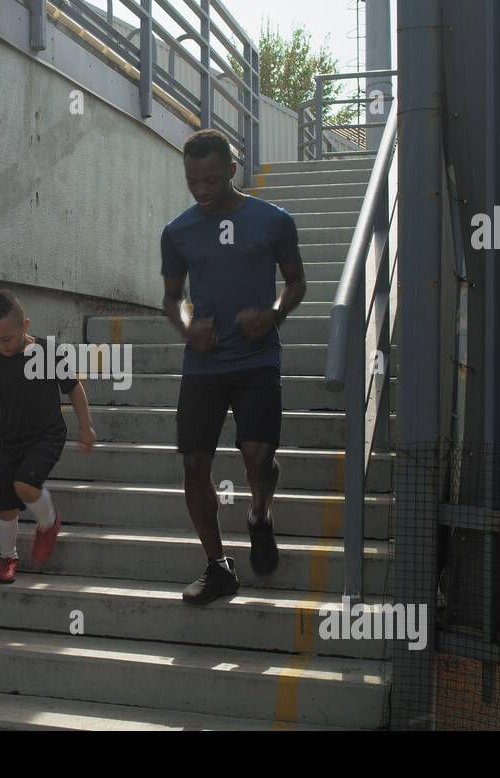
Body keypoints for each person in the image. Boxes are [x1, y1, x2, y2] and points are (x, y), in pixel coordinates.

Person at [160, 129, 307, 605]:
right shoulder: (177, 232)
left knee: (259, 459)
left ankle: (259, 516)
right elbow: (172, 299)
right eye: (192, 180)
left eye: (209, 179)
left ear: (231, 170)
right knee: (195, 464)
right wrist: (187, 330)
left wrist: (274, 315)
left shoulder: (274, 222)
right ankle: (218, 566)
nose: (201, 189)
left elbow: (297, 283)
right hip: (203, 365)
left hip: (257, 358)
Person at [0, 290, 97, 583]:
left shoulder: (47, 352)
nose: (0, 346)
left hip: (47, 435)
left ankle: (48, 522)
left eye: (7, 339)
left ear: (25, 326)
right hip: (10, 442)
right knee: (5, 507)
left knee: (26, 485)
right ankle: (8, 556)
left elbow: (73, 387)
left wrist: (86, 426)